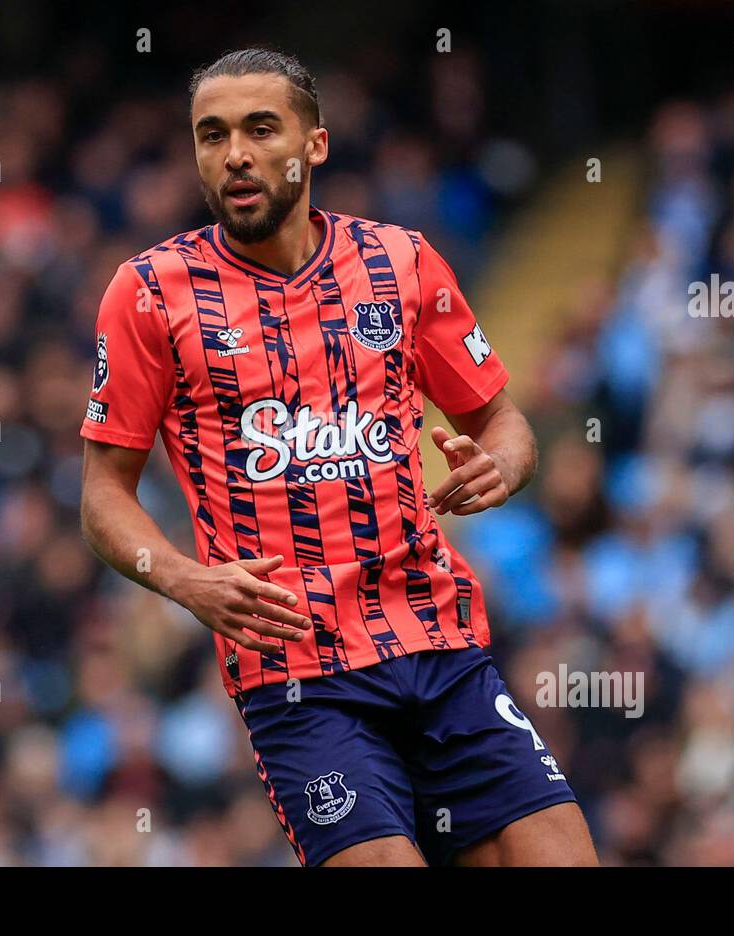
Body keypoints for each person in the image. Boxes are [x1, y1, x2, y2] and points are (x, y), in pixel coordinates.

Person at [80, 47, 598, 867]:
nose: (236, 154)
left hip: (439, 644)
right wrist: (185, 580)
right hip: (299, 673)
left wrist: (503, 462)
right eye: (211, 136)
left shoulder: (401, 262)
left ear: (314, 144)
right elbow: (103, 495)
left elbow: (504, 420)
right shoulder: (149, 291)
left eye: (260, 128)